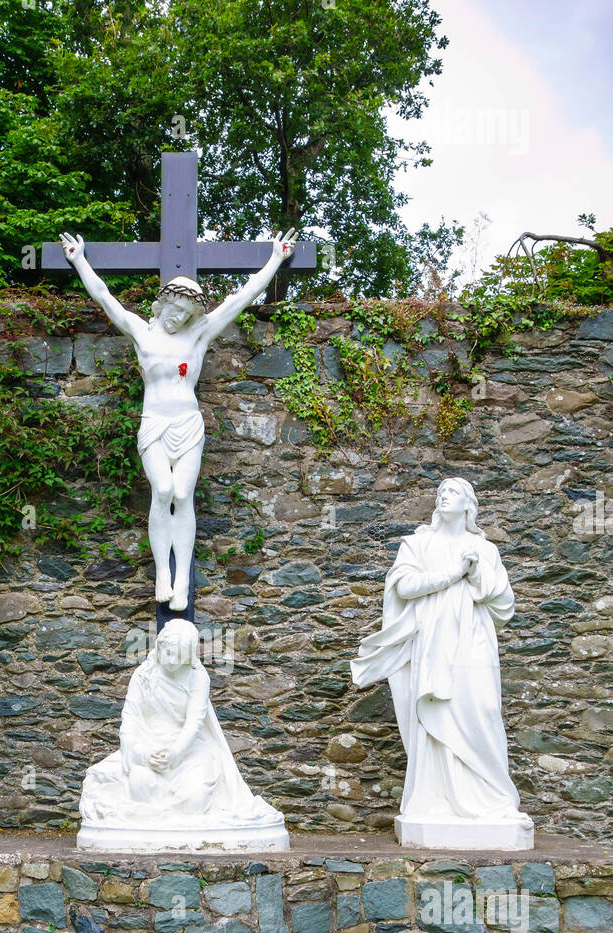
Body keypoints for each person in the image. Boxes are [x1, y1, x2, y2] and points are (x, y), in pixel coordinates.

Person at [59, 228, 299, 612]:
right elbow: (104, 296)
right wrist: (79, 259)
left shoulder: (199, 335)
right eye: (175, 312)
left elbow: (240, 299)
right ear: (163, 303)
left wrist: (274, 259)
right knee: (164, 491)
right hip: (154, 424)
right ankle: (162, 575)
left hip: (188, 425)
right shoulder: (141, 331)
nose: (178, 320)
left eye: (186, 315)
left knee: (184, 495)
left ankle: (182, 577)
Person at [351, 478, 532, 833]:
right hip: (432, 641)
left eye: (452, 492)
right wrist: (454, 572)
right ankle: (434, 800)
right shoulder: (418, 544)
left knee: (481, 709)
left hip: (474, 639)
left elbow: (504, 603)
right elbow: (404, 586)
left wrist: (476, 570)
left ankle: (492, 798)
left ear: (469, 504)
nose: (443, 496)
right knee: (436, 713)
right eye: (440, 493)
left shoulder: (485, 549)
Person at [79, 619, 283, 834]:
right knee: (141, 785)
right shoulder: (143, 676)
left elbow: (194, 723)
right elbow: (129, 723)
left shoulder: (196, 676)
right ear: (160, 647)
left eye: (179, 656)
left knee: (195, 800)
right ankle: (155, 821)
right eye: (168, 653)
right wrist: (143, 754)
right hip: (149, 746)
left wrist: (176, 754)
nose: (172, 661)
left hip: (188, 750)